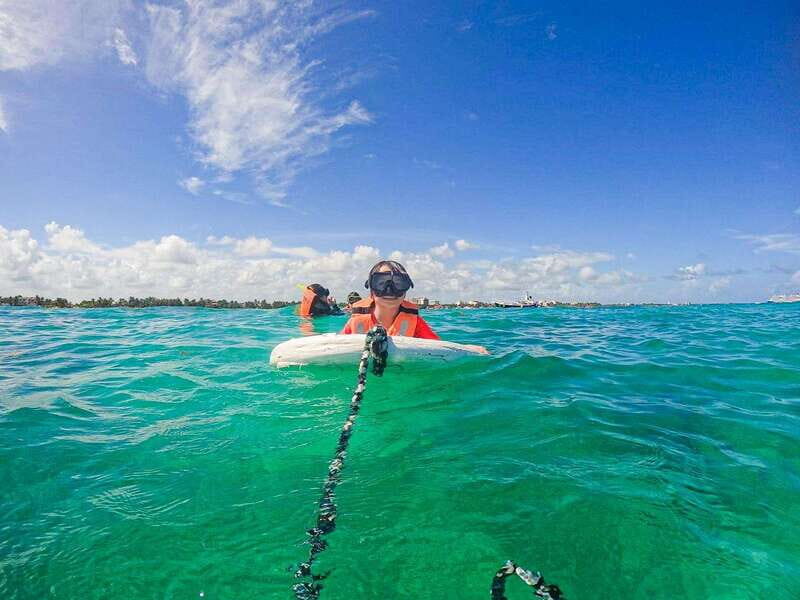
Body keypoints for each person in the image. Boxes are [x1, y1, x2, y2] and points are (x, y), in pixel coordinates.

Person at [340, 260, 440, 339]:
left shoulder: (416, 323)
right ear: (371, 289)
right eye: (381, 283)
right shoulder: (356, 320)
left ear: (406, 290)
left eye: (398, 283)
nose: (389, 290)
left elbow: (439, 351)